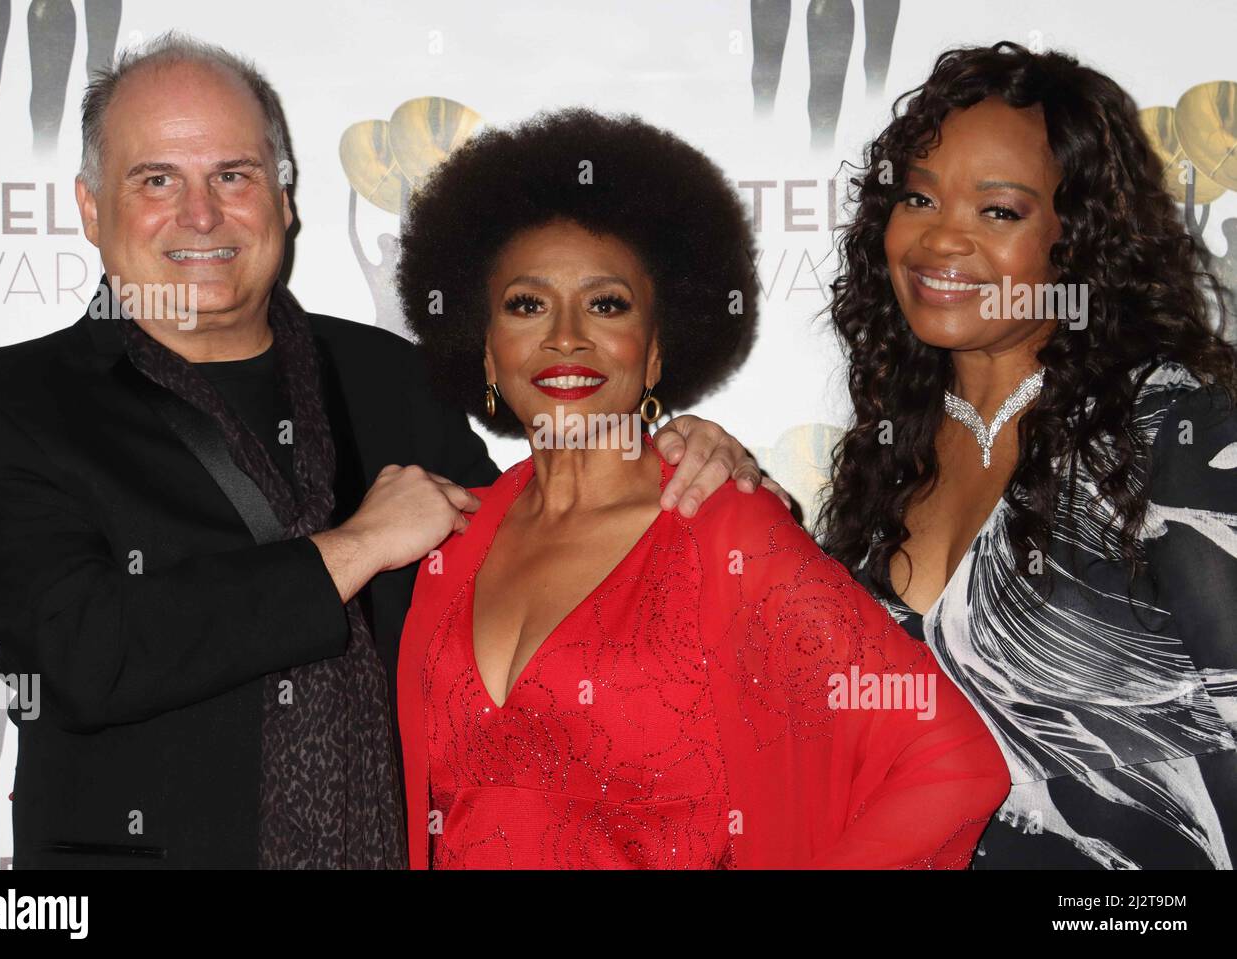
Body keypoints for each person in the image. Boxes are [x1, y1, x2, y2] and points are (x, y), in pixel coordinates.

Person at [0, 32, 779, 869]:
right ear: (90, 208)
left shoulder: (390, 376)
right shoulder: (1, 405)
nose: (201, 214)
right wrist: (353, 548)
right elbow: (84, 654)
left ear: (285, 197)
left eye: (234, 175)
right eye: (157, 179)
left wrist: (657, 453)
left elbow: (534, 550)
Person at [395, 107, 1011, 869]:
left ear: (655, 351)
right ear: (484, 347)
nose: (565, 334)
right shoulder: (448, 541)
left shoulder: (721, 525)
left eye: (606, 303)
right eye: (527, 304)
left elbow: (948, 760)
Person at [819, 41, 1237, 868]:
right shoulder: (887, 453)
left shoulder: (1180, 431)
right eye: (918, 197)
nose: (942, 241)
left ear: (1075, 238)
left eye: (998, 211)